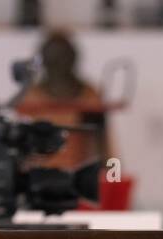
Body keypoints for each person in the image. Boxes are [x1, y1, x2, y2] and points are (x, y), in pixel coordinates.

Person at [13, 31, 112, 172]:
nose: (58, 65)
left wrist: (110, 182)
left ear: (73, 59)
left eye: (63, 58)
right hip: (38, 182)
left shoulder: (90, 97)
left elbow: (105, 149)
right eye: (53, 60)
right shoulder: (29, 98)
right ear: (44, 62)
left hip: (81, 183)